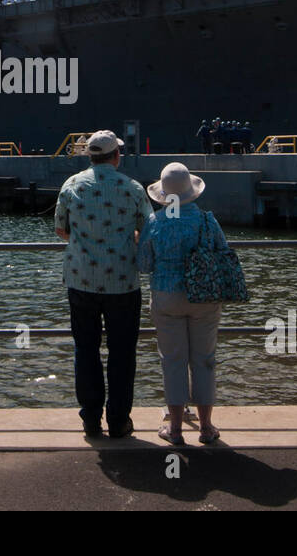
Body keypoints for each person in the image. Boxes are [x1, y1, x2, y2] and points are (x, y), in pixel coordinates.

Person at [54, 130, 153, 438]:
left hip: (81, 280)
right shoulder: (132, 188)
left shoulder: (71, 185)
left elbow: (60, 229)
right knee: (122, 353)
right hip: (122, 284)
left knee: (86, 349)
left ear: (90, 155)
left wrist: (86, 243)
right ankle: (119, 421)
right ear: (116, 156)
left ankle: (91, 419)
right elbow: (150, 229)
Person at [137, 162, 228, 445]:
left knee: (173, 361)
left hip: (166, 296)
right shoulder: (206, 220)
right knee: (204, 360)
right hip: (203, 296)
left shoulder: (155, 222)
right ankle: (206, 427)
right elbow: (223, 253)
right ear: (191, 190)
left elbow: (144, 265)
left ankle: (175, 429)